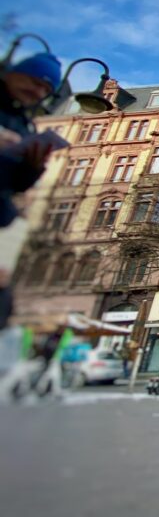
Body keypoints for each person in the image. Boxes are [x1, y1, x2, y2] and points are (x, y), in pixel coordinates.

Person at [1, 52, 63, 329]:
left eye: (46, 89)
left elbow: (17, 184)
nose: (38, 91)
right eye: (35, 80)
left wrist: (34, 167)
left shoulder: (25, 122)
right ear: (11, 73)